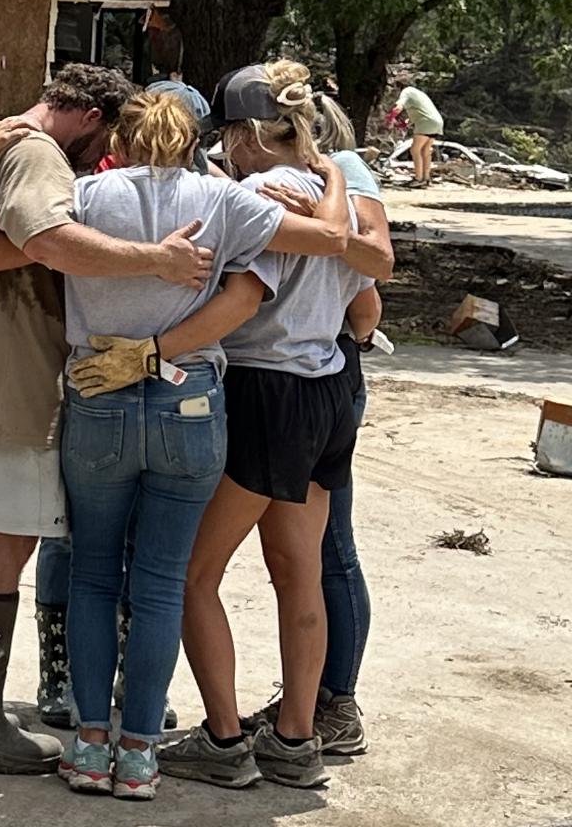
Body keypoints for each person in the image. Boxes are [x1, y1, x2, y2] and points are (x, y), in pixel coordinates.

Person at [0, 90, 351, 799]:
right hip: (189, 402)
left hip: (98, 396)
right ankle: (142, 753)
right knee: (158, 582)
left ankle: (90, 746)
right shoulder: (225, 200)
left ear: (120, 137)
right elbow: (332, 241)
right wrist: (331, 174)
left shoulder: (86, 195)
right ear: (194, 140)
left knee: (91, 573)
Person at [0, 64, 213, 777]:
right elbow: (46, 239)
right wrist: (156, 261)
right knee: (9, 540)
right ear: (91, 118)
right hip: (10, 375)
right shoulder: (36, 154)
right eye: (105, 138)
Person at [154, 61, 372, 790]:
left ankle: (221, 742)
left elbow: (243, 301)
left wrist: (153, 350)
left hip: (263, 391)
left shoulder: (256, 197)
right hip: (329, 388)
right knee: (297, 572)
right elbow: (366, 313)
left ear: (248, 135)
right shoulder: (329, 197)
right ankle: (296, 738)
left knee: (191, 575)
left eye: (228, 139)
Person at [33, 76, 219, 732]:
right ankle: (92, 690)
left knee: (103, 549)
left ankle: (99, 693)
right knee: (107, 549)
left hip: (110, 384)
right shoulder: (105, 182)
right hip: (150, 386)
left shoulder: (102, 189)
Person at [247, 93, 394, 755]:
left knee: (320, 551)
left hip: (298, 378)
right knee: (311, 554)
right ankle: (308, 710)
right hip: (330, 368)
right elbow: (366, 308)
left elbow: (376, 269)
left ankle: (334, 701)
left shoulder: (340, 177)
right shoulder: (326, 181)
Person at [397, 85, 444, 187]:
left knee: (415, 150)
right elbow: (420, 114)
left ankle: (418, 178)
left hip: (426, 123)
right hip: (437, 122)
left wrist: (391, 117)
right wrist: (405, 124)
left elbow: (398, 107)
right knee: (426, 150)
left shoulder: (406, 91)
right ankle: (426, 178)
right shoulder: (420, 95)